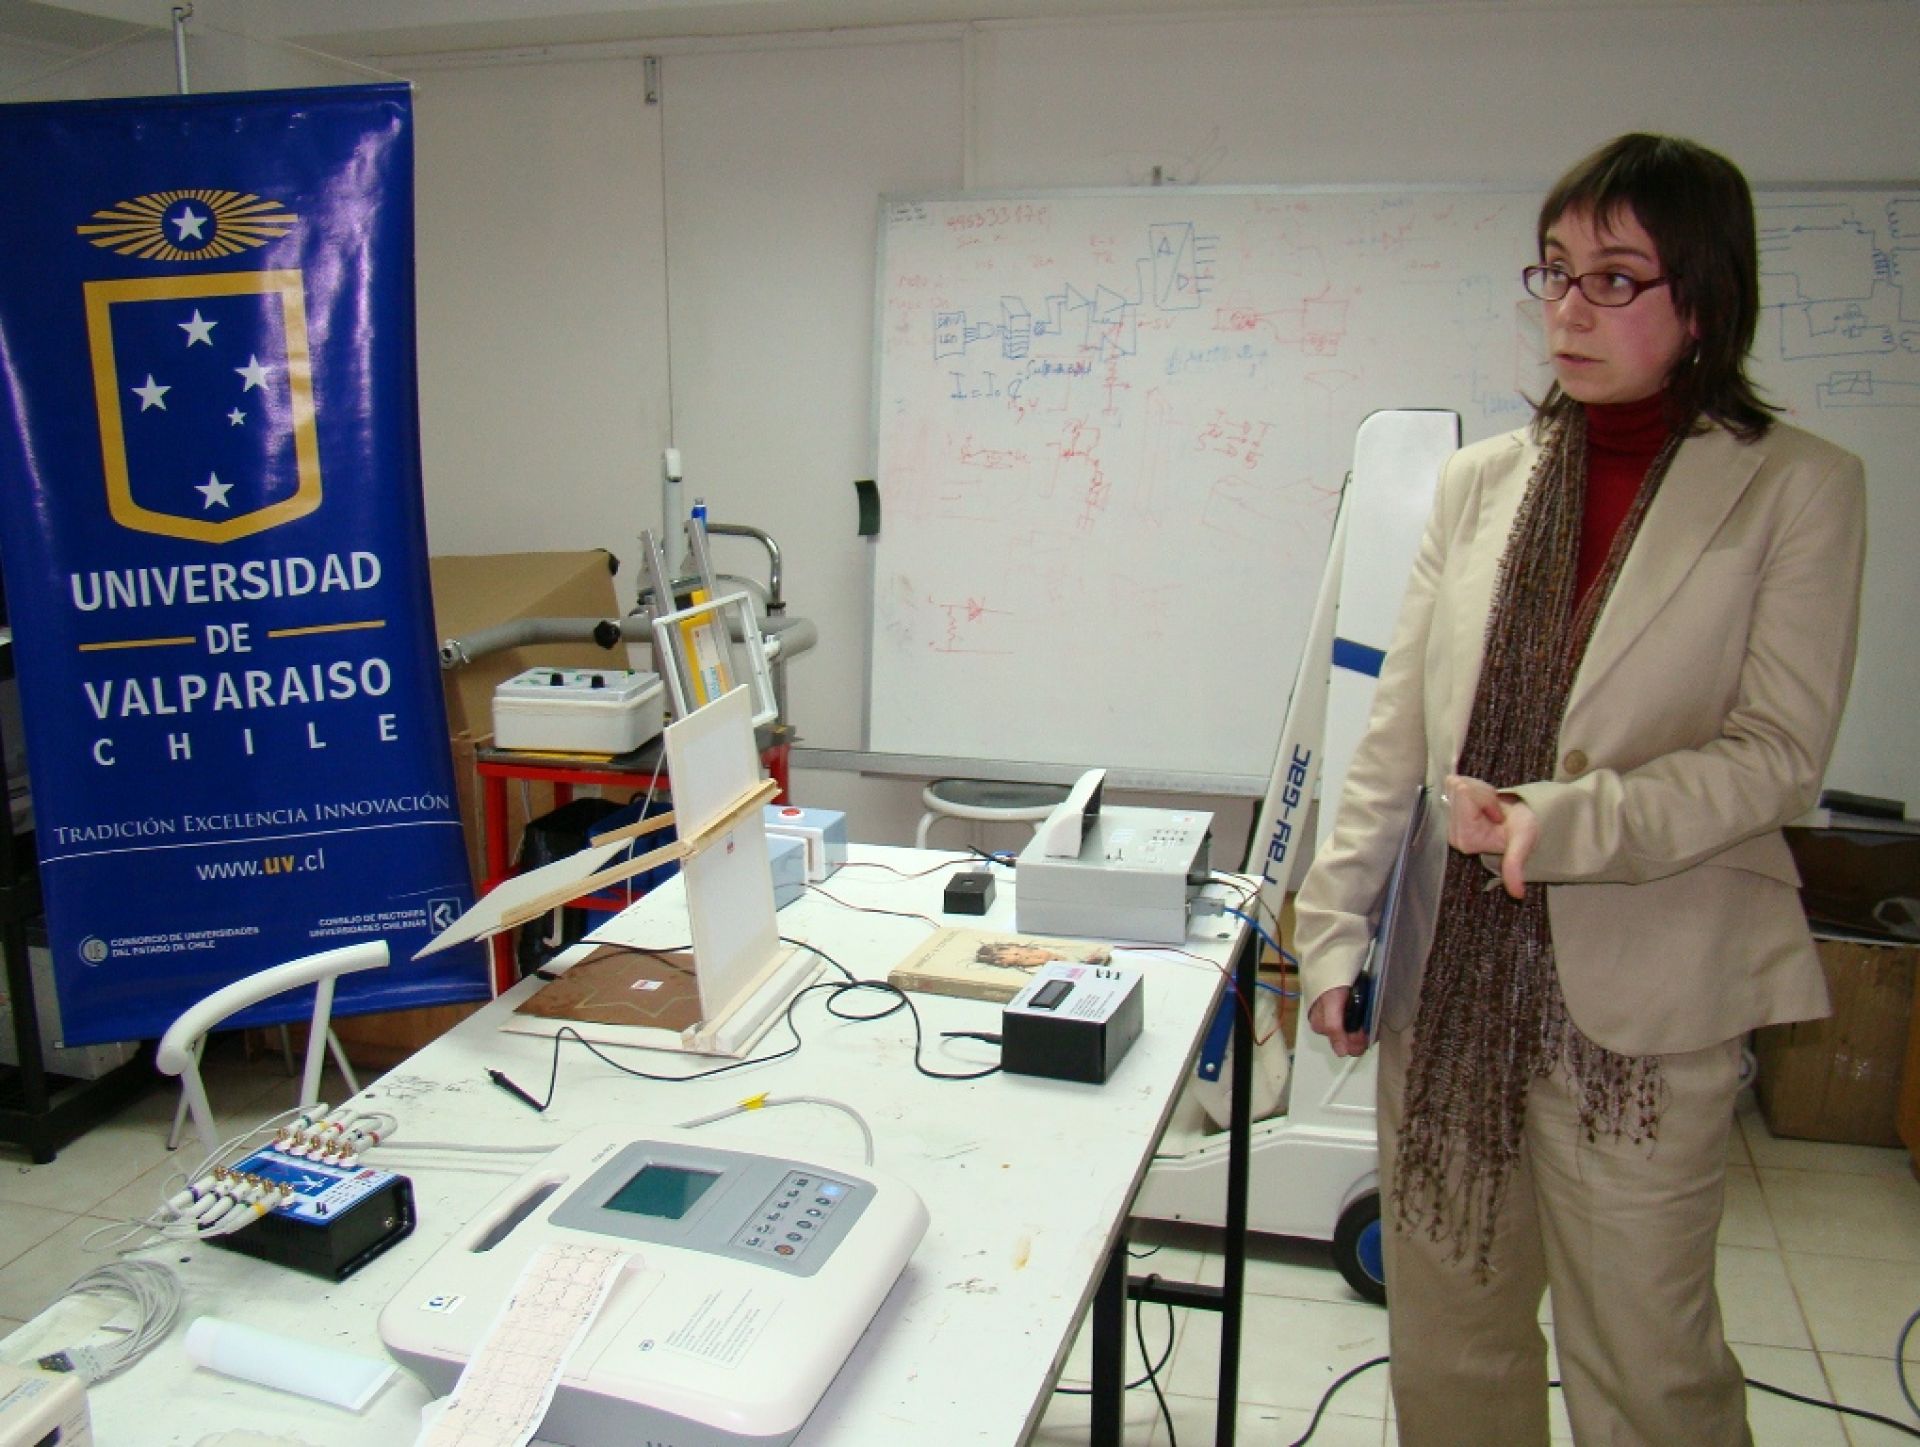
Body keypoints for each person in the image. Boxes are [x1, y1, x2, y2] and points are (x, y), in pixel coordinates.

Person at [1293, 133, 1866, 1447]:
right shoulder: (1479, 484)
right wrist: (1331, 929)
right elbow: (1399, 736)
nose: (1567, 308)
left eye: (1615, 278)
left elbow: (1781, 752)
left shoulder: (1800, 490)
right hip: (1453, 992)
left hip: (1647, 1003)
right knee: (1451, 1351)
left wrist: (1571, 822)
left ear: (1705, 303)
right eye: (1552, 273)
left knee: (1647, 1374)